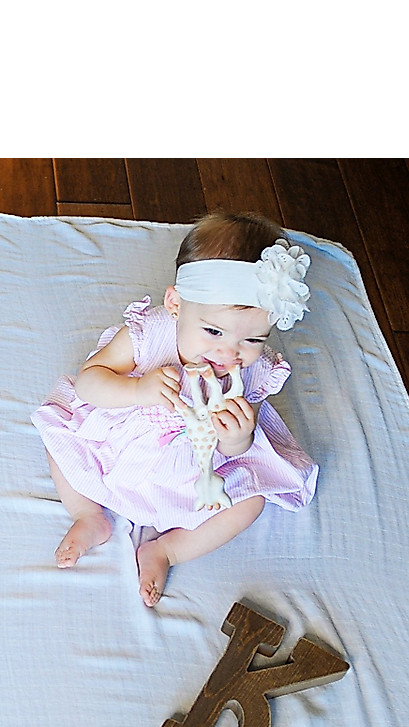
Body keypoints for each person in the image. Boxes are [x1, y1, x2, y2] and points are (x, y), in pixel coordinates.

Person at [33, 212, 317, 607]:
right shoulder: (151, 333)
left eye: (253, 339)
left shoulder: (254, 371)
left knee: (251, 503)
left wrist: (238, 438)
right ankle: (88, 515)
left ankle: (165, 550)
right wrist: (136, 389)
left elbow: (235, 451)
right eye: (214, 331)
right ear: (176, 304)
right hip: (119, 448)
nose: (229, 352)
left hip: (191, 473)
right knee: (57, 432)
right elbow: (89, 381)